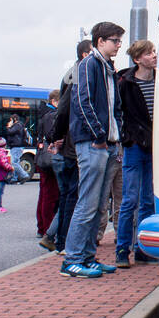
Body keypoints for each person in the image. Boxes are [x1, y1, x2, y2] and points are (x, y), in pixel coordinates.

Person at [61, 23, 124, 278]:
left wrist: (115, 136)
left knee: (98, 205)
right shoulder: (89, 65)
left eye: (119, 40)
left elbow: (115, 106)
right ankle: (72, 259)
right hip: (93, 143)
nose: (119, 44)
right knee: (87, 203)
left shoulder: (108, 68)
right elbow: (82, 101)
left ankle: (87, 258)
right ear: (100, 41)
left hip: (106, 143)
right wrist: (99, 134)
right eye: (114, 40)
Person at [115, 39, 157, 268]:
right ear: (138, 59)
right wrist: (126, 138)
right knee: (130, 199)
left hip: (154, 146)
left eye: (153, 52)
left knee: (148, 200)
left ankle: (143, 248)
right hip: (134, 146)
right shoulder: (126, 83)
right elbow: (118, 112)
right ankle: (122, 249)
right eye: (149, 53)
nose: (154, 56)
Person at [49, 40, 91, 254]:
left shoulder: (70, 74)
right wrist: (57, 136)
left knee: (68, 194)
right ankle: (64, 241)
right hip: (74, 144)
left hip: (68, 143)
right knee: (73, 195)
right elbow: (64, 110)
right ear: (86, 54)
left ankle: (58, 239)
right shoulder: (78, 75)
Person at [35, 91, 60, 245]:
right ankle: (47, 228)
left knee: (44, 194)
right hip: (50, 160)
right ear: (54, 101)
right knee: (51, 195)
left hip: (42, 159)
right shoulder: (51, 115)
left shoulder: (43, 114)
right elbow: (52, 136)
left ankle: (41, 226)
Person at [5, 115, 30, 182]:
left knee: (14, 163)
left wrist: (9, 127)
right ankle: (14, 178)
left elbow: (10, 132)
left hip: (17, 146)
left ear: (14, 119)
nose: (10, 121)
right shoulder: (18, 125)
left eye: (11, 120)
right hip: (16, 146)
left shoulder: (17, 125)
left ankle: (25, 175)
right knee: (16, 162)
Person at [0, 136, 13, 212]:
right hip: (1, 175)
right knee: (0, 191)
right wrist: (10, 167)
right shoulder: (1, 153)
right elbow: (4, 164)